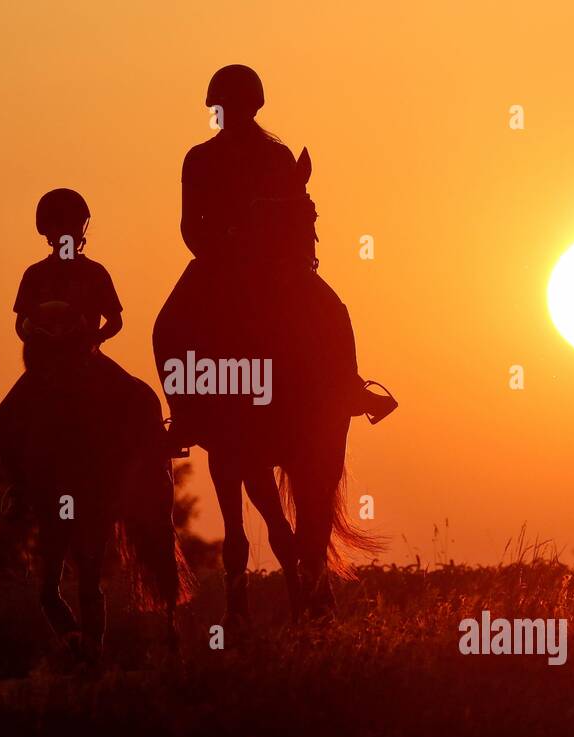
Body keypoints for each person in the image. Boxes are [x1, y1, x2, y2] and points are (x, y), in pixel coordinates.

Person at [157, 64, 396, 455]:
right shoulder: (198, 159)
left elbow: (295, 213)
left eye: (236, 105)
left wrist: (284, 254)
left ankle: (352, 388)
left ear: (251, 106)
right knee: (167, 326)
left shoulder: (277, 156)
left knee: (334, 309)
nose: (230, 113)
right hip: (217, 264)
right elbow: (190, 226)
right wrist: (221, 249)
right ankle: (184, 414)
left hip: (276, 264)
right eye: (225, 106)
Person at [0, 188, 126, 515]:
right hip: (46, 367)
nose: (66, 232)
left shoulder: (95, 273)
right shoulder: (34, 275)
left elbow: (116, 320)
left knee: (139, 402)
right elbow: (20, 321)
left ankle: (136, 478)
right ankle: (19, 487)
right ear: (47, 232)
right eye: (59, 226)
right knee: (5, 418)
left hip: (88, 360)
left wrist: (93, 339)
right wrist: (38, 338)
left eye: (71, 225)